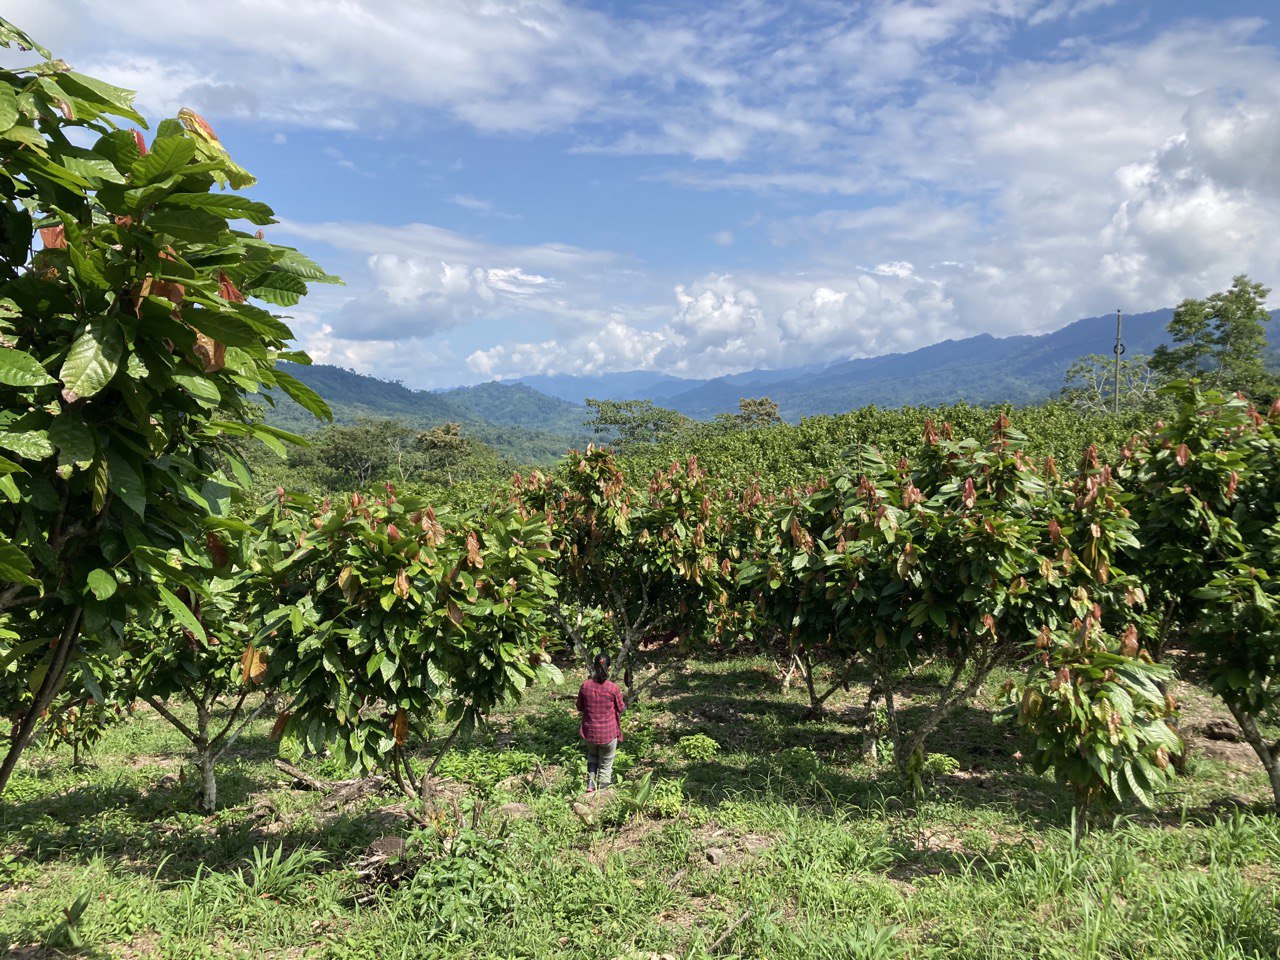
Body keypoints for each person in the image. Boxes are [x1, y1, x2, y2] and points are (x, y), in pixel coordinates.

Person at [576, 652, 625, 792]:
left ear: (594, 666)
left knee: (593, 755)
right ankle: (602, 792)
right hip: (608, 734)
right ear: (608, 668)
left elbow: (579, 707)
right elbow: (620, 708)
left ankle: (590, 785)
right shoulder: (612, 688)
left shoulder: (585, 686)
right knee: (606, 764)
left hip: (590, 733)